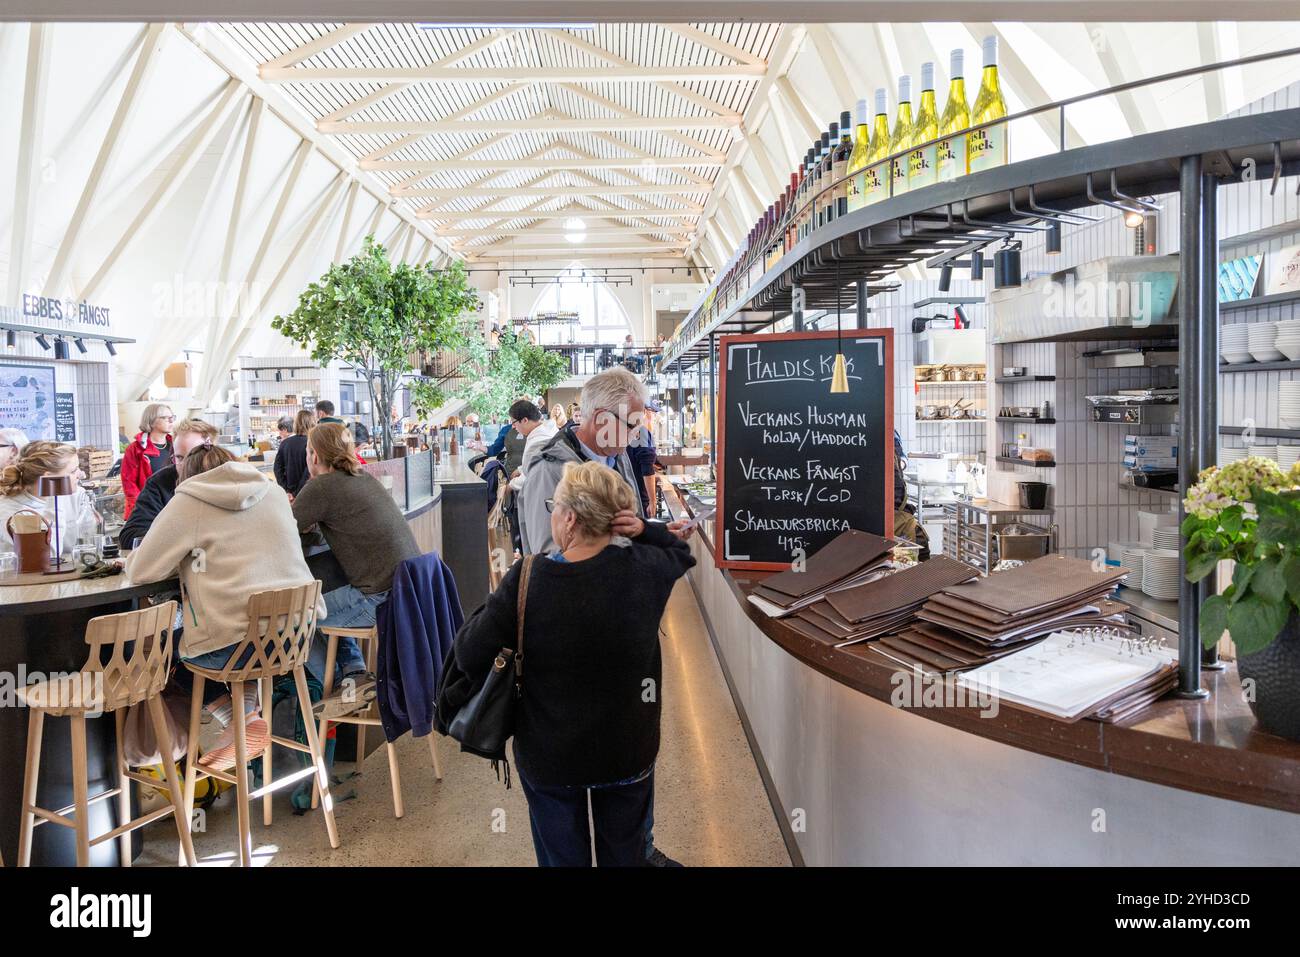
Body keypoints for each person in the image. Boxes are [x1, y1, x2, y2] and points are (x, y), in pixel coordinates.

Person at [444, 461, 694, 866]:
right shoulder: (646, 570)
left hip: (551, 757)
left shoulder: (528, 579)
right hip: (626, 751)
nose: (552, 515)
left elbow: (468, 654)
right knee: (626, 857)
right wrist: (643, 529)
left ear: (571, 519)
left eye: (554, 506)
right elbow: (681, 550)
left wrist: (497, 604)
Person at [125, 444, 324, 769]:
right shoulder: (272, 492)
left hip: (238, 647)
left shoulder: (189, 501)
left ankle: (239, 719)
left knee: (164, 654)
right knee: (223, 633)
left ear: (186, 476)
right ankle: (243, 720)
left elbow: (141, 570)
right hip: (296, 636)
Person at [292, 423, 420, 715]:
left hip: (378, 598)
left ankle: (342, 691)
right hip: (405, 592)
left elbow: (283, 530)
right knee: (326, 598)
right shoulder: (362, 476)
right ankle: (354, 675)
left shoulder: (321, 487)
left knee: (293, 620)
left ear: (314, 455)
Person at [519, 366, 691, 556]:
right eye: (632, 424)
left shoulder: (617, 455)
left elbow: (627, 525)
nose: (636, 433)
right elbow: (550, 558)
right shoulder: (548, 470)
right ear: (602, 420)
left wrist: (656, 534)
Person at [119, 418, 220, 549]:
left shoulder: (229, 479)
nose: (185, 465)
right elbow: (131, 536)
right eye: (179, 457)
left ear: (212, 455)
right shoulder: (159, 483)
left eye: (193, 457)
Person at [0, 441, 97, 562]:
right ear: (49, 478)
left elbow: (90, 541)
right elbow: (47, 557)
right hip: (23, 578)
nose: (81, 475)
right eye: (73, 471)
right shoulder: (11, 511)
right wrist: (55, 497)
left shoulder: (76, 495)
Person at [120, 403, 175, 518]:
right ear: (151, 421)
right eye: (165, 418)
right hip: (149, 510)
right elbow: (129, 484)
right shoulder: (135, 449)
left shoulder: (176, 446)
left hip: (174, 507)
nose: (170, 421)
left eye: (172, 417)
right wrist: (143, 508)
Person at [273, 409, 314, 499]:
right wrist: (297, 493)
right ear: (312, 423)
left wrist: (286, 490)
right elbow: (309, 471)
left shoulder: (285, 443)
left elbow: (277, 468)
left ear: (295, 424)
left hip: (289, 492)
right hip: (307, 492)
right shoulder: (312, 443)